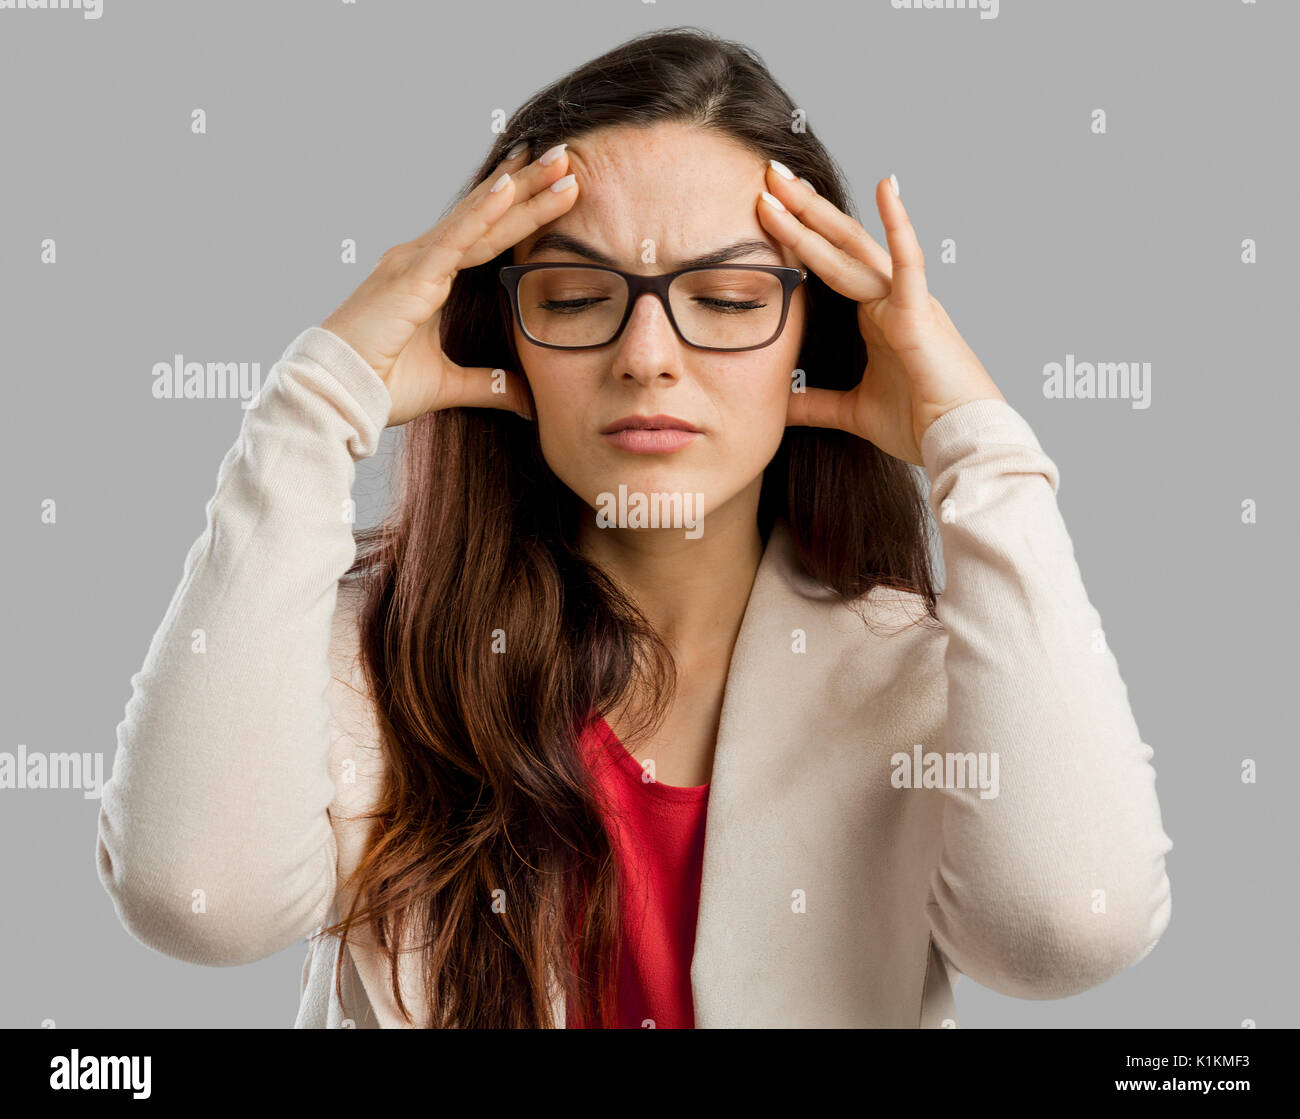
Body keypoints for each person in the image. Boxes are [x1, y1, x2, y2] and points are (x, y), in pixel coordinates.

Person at [96, 26, 1173, 1029]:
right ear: (500, 339)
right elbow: (198, 901)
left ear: (821, 335)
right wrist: (311, 407)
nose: (648, 355)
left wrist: (977, 450)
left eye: (728, 297)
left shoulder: (932, 676)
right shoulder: (373, 659)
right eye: (571, 297)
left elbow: (1069, 930)